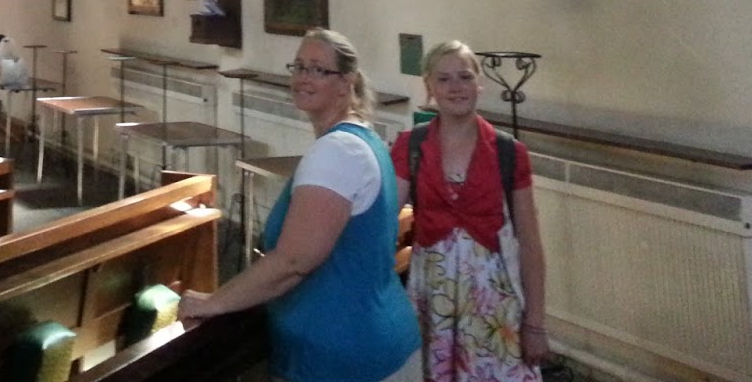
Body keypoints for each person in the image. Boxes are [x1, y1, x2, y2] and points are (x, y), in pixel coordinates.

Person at [179, 28, 419, 382]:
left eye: (318, 69)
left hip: (349, 358)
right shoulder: (361, 138)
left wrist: (213, 303)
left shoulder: (338, 151)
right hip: (366, 344)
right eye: (299, 66)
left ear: (346, 83)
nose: (304, 78)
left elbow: (294, 262)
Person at [391, 40, 549, 382]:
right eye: (444, 79)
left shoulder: (509, 152)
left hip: (495, 305)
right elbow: (384, 222)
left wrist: (535, 323)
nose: (456, 87)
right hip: (432, 302)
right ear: (429, 86)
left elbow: (530, 244)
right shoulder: (411, 146)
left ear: (479, 83)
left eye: (464, 77)